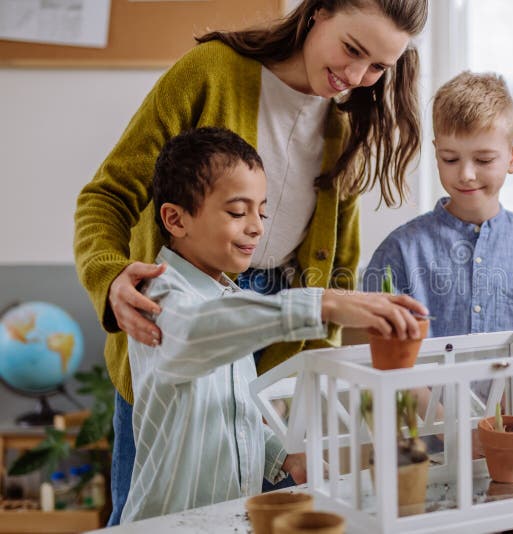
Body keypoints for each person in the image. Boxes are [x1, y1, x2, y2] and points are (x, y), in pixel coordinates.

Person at [73, 0, 428, 525]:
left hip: (286, 319)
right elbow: (107, 195)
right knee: (152, 502)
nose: (355, 77)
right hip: (188, 304)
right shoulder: (212, 73)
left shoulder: (349, 115)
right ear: (318, 12)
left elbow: (339, 259)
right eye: (352, 49)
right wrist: (109, 277)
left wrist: (312, 374)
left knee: (247, 493)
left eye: (378, 67)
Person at [121, 127, 426, 522]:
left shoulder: (226, 300)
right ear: (176, 220)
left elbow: (226, 412)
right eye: (237, 212)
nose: (257, 227)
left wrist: (283, 456)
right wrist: (326, 303)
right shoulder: (156, 298)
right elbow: (196, 330)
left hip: (227, 521)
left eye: (261, 211)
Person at [362, 71, 513, 400]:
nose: (466, 174)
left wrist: (500, 422)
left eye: (484, 159)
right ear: (436, 153)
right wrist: (447, 425)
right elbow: (387, 358)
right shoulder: (399, 251)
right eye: (450, 158)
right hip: (421, 445)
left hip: (510, 438)